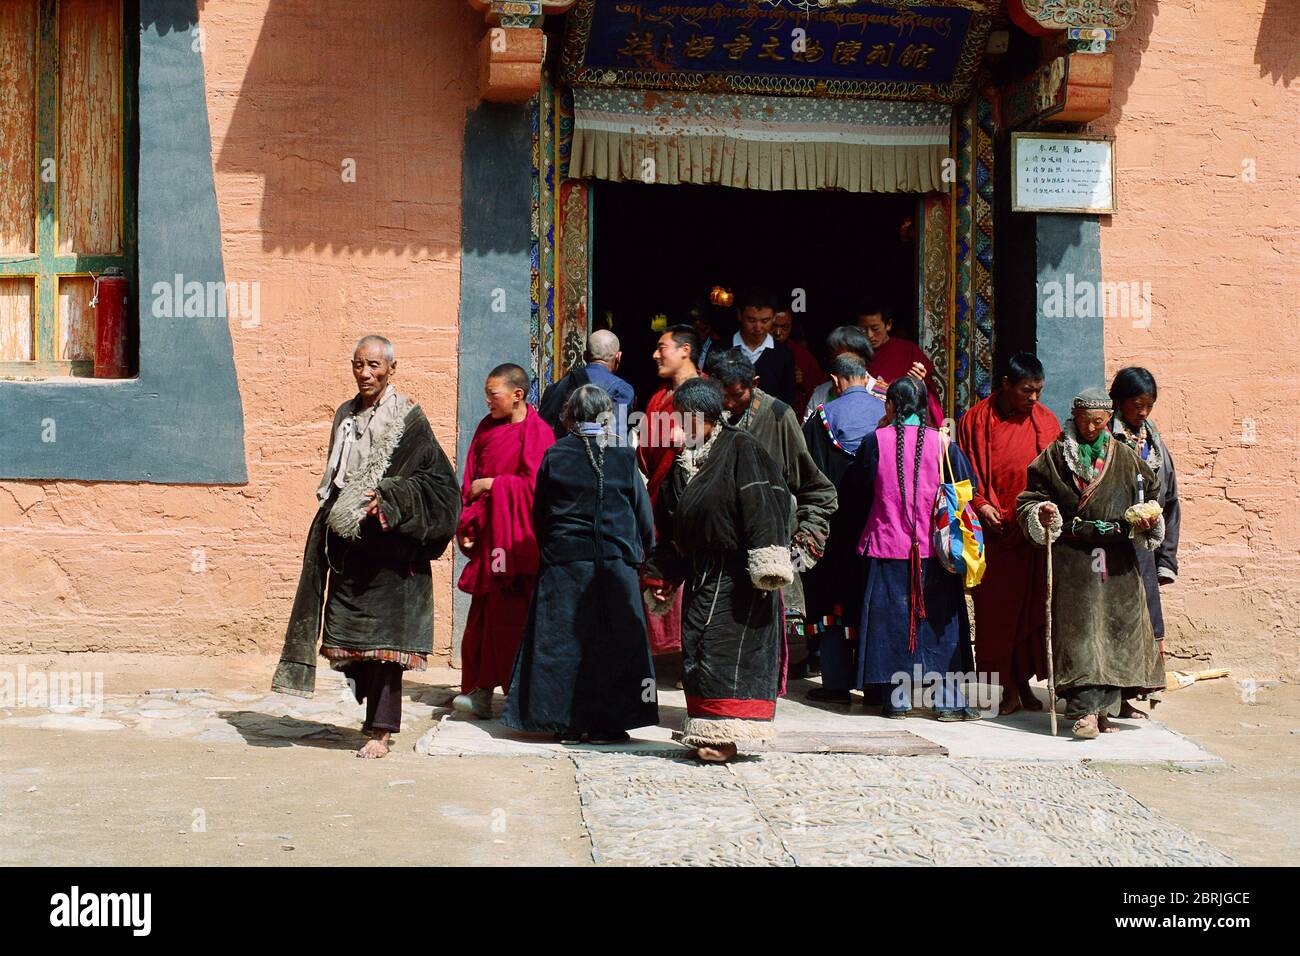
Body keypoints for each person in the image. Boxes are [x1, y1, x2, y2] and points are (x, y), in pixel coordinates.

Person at [273, 336, 461, 758]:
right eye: (358, 365)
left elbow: (442, 488)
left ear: (392, 368)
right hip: (349, 545)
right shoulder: (345, 414)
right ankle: (370, 712)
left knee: (385, 649)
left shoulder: (409, 421)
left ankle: (381, 730)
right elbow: (336, 474)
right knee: (348, 642)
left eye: (374, 365)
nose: (365, 373)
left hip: (392, 550)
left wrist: (391, 497)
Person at [642, 378, 795, 763]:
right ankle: (706, 728)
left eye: (683, 419)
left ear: (707, 418)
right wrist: (663, 576)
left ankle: (725, 737)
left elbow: (765, 502)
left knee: (729, 654)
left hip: (741, 579)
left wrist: (768, 564)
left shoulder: (743, 449)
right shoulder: (683, 461)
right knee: (700, 654)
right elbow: (675, 527)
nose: (676, 428)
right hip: (701, 576)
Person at [504, 385, 658, 744]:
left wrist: (552, 551)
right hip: (616, 563)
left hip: (566, 564)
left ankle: (567, 723)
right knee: (615, 643)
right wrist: (646, 552)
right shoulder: (622, 455)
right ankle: (609, 725)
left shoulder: (556, 454)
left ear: (570, 415)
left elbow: (540, 514)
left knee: (563, 644)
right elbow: (641, 511)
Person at [1015, 387, 1165, 739]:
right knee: (1079, 634)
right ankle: (1084, 714)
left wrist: (1147, 520)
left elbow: (1152, 498)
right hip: (1073, 559)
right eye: (1084, 422)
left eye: (1099, 421)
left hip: (1117, 559)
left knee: (1115, 633)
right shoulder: (1054, 457)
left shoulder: (1127, 459)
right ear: (1074, 418)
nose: (1091, 428)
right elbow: (1030, 500)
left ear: (1109, 418)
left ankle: (1106, 711)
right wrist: (1043, 512)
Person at [852, 376, 981, 720]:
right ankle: (949, 701)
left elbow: (856, 491)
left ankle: (896, 701)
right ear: (924, 408)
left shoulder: (875, 441)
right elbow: (967, 490)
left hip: (886, 546)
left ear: (890, 406)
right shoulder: (943, 444)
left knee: (890, 624)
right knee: (941, 624)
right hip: (936, 551)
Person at [706, 348, 838, 683]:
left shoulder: (779, 416)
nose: (729, 404)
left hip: (770, 555)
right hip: (718, 557)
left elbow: (817, 490)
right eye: (722, 396)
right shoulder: (704, 416)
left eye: (737, 395)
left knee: (765, 662)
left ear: (754, 383)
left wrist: (805, 539)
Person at [955, 352, 1061, 715]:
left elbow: (1056, 474)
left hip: (1030, 532)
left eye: (1039, 391)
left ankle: (1024, 683)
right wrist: (982, 504)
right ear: (1005, 385)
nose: (1033, 399)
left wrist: (1040, 513)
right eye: (1026, 391)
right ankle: (1003, 687)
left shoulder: (1045, 422)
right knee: (996, 616)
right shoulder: (975, 421)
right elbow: (962, 472)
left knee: (1033, 610)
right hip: (993, 534)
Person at [454, 363, 556, 718]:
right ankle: (479, 691)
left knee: (516, 620)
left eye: (493, 394)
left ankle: (519, 694)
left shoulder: (539, 433)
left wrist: (495, 484)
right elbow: (471, 477)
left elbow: (539, 490)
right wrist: (470, 514)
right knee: (482, 620)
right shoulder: (487, 428)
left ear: (517, 394)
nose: (487, 401)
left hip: (519, 543)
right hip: (490, 539)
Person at [801, 352, 886, 703]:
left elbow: (804, 474)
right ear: (866, 377)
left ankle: (835, 684)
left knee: (831, 603)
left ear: (835, 381)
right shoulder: (887, 415)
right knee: (874, 602)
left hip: (833, 532)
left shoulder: (822, 418)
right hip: (880, 531)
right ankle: (880, 687)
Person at [1109, 367, 1180, 719]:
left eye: (1149, 405)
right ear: (1119, 402)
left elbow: (1171, 501)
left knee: (1143, 622)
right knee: (1113, 622)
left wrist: (1166, 558)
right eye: (1137, 405)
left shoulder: (1154, 442)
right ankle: (1110, 698)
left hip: (1144, 550)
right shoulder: (1104, 439)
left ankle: (1132, 694)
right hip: (1110, 548)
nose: (1143, 413)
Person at [638, 325, 701, 657]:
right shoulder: (658, 398)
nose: (655, 354)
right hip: (659, 499)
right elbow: (646, 456)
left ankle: (691, 649)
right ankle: (666, 651)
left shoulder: (706, 394)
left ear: (685, 350)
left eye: (662, 346)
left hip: (694, 507)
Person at [856, 301, 944, 425]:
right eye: (863, 330)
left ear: (888, 324)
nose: (870, 335)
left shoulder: (908, 351)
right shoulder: (855, 355)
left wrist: (919, 382)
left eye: (875, 329)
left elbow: (928, 398)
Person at [537, 330, 635, 440]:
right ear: (618, 357)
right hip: (598, 454)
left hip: (561, 454)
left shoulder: (558, 387)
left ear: (584, 356)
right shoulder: (621, 390)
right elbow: (616, 437)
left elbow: (541, 430)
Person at [801, 325, 887, 424]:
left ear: (863, 357)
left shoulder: (882, 394)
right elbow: (806, 433)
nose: (841, 363)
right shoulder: (820, 393)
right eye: (835, 357)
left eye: (847, 358)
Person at [732, 287, 797, 408]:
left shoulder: (783, 354)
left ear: (773, 318)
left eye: (765, 321)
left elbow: (787, 401)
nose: (758, 327)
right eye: (751, 320)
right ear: (739, 315)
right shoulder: (721, 348)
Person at [772, 308, 828, 419]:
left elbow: (821, 388)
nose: (778, 333)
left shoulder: (802, 355)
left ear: (791, 326)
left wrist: (803, 381)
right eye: (774, 326)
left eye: (785, 327)